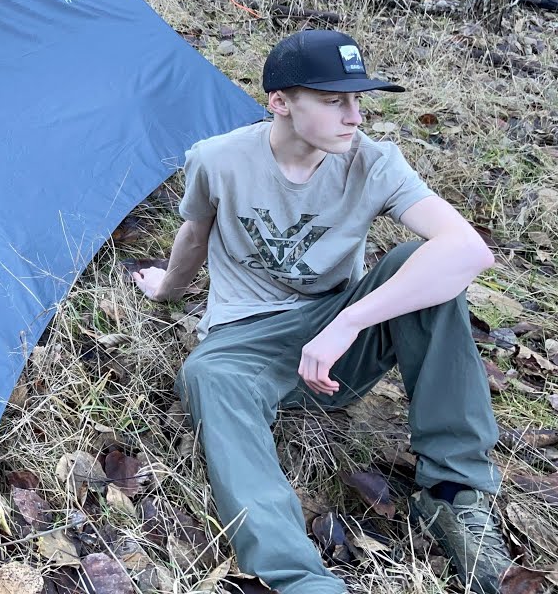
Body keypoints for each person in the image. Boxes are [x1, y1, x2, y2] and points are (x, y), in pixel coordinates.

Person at [131, 29, 512, 594]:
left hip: (336, 342)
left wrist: (349, 321)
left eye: (358, 100)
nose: (354, 116)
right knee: (207, 375)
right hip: (247, 338)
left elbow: (467, 249)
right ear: (280, 102)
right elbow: (195, 231)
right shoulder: (218, 160)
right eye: (335, 101)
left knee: (427, 266)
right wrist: (168, 288)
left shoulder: (374, 162)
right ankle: (299, 579)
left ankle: (454, 497)